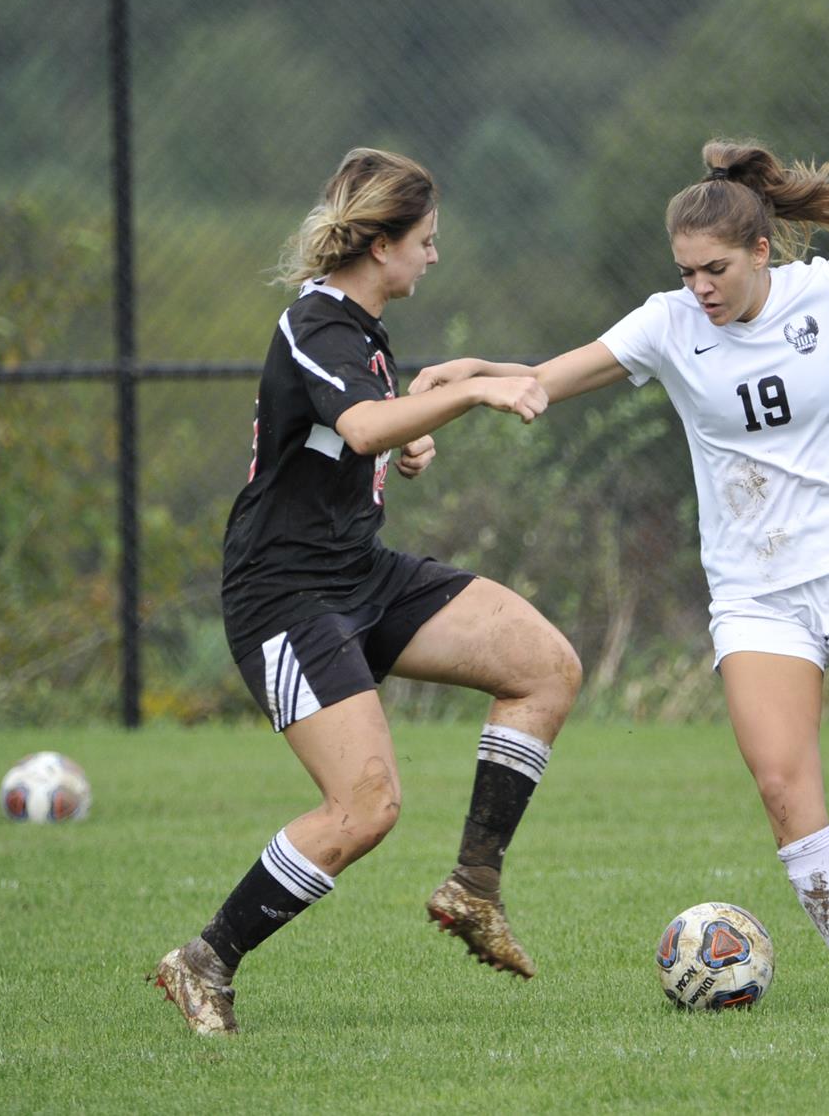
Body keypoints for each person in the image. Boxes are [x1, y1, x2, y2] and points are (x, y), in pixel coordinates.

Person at [414, 139, 829, 1013]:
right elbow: (548, 380)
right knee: (786, 788)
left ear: (761, 253)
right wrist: (465, 380)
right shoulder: (668, 323)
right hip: (756, 594)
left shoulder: (820, 293)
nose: (699, 288)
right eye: (686, 272)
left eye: (714, 269)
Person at [151, 148, 582, 1037]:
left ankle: (473, 887)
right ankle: (205, 958)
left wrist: (406, 439)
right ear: (381, 244)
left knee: (545, 666)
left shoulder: (359, 330)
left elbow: (360, 433)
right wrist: (467, 401)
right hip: (286, 596)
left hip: (361, 573)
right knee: (367, 806)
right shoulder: (316, 320)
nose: (434, 255)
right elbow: (358, 424)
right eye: (426, 240)